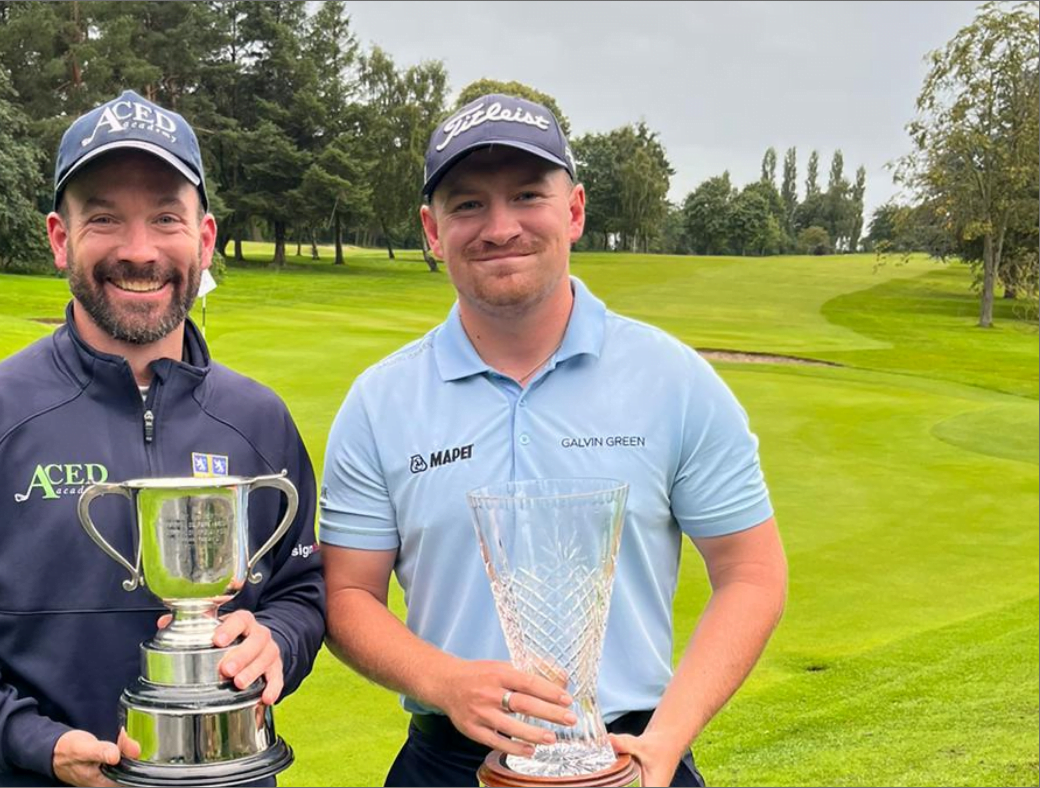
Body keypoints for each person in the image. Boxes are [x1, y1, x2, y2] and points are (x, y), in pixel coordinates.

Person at [319, 93, 787, 788]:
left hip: (634, 755)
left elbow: (752, 573)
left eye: (527, 195)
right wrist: (446, 682)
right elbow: (347, 593)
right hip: (449, 758)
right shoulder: (380, 401)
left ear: (573, 210)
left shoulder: (674, 379)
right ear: (431, 228)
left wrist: (667, 740)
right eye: (468, 204)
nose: (499, 227)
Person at [0, 90, 324, 788]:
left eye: (166, 217)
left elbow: (302, 590)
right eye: (104, 218)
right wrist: (32, 741)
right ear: (60, 238)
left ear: (203, 240)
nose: (139, 251)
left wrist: (279, 641)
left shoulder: (259, 419)